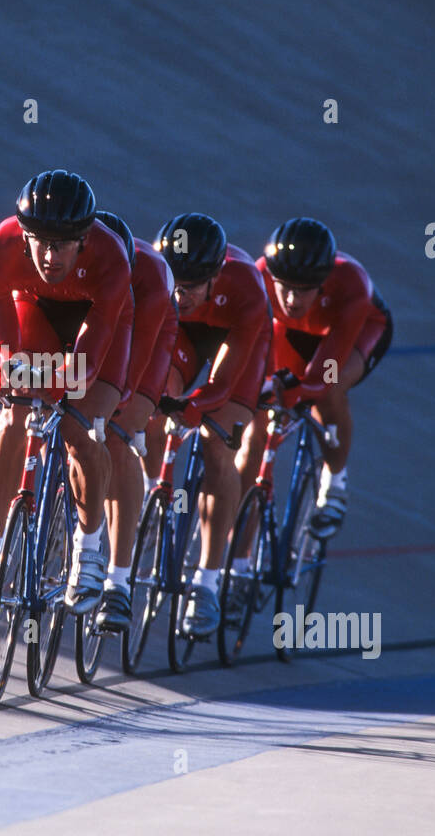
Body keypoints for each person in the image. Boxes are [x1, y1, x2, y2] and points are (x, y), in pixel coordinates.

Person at [0, 170, 133, 614]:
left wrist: (54, 382)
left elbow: (87, 366)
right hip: (36, 309)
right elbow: (2, 352)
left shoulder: (112, 260)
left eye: (61, 243)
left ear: (84, 240)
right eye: (39, 240)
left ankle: (89, 549)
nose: (49, 254)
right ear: (22, 233)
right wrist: (10, 373)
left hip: (95, 324)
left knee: (85, 429)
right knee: (14, 414)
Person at [148, 213, 272, 638]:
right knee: (151, 396)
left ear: (216, 276)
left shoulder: (247, 289)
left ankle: (207, 580)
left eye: (190, 288)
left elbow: (222, 386)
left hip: (234, 344)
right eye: (174, 286)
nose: (179, 296)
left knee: (218, 444)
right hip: (182, 338)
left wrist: (194, 407)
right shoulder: (157, 281)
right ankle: (149, 491)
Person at [255, 217, 393, 538]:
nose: (291, 300)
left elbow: (324, 374)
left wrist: (303, 391)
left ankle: (335, 484)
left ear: (323, 283)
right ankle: (239, 560)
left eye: (303, 291)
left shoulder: (351, 283)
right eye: (284, 287)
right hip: (292, 332)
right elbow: (255, 354)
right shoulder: (258, 275)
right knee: (258, 420)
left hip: (356, 332)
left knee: (327, 393)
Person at [92, 212, 179, 633]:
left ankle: (118, 582)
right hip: (91, 314)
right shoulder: (76, 263)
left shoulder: (151, 279)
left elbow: (130, 376)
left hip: (149, 330)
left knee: (115, 434)